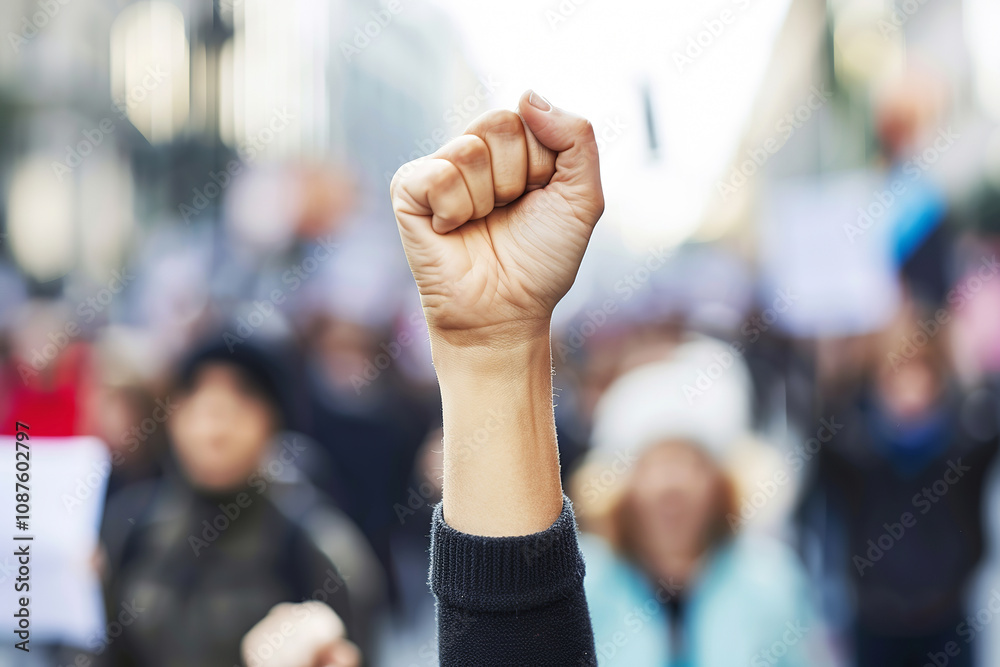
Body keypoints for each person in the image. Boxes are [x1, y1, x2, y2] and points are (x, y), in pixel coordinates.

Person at [98, 337, 376, 667]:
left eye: (241, 400)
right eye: (197, 398)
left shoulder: (313, 542)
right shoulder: (131, 526)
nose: (214, 426)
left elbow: (360, 646)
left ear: (272, 422)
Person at [573, 338, 833, 666]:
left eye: (692, 464)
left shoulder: (772, 580)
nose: (671, 486)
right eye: (654, 465)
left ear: (721, 484)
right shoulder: (582, 584)